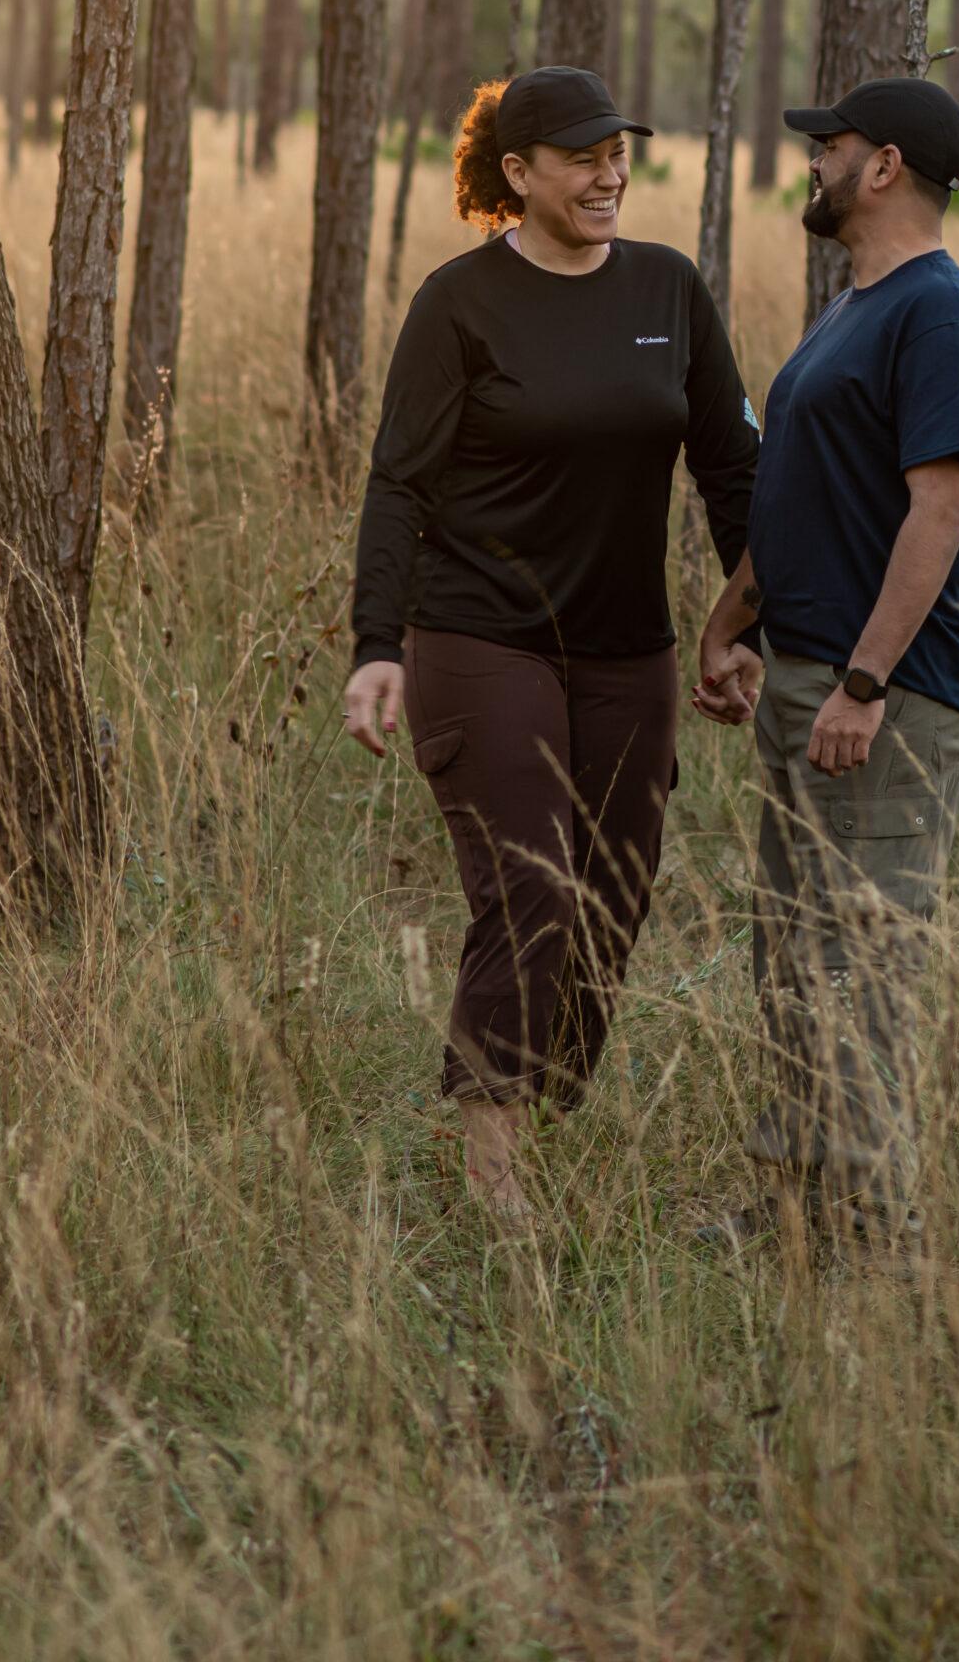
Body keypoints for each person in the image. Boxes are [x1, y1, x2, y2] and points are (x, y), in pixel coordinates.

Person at [344, 65, 761, 1223]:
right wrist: (378, 643)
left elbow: (730, 465)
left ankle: (533, 1092)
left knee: (612, 897)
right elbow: (399, 485)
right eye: (580, 156)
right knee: (529, 890)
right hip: (482, 634)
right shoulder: (460, 303)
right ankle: (495, 1178)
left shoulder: (670, 287)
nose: (609, 171)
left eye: (618, 150)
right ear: (517, 174)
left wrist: (747, 620)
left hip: (631, 646)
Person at [695, 76, 959, 1238]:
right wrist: (731, 621)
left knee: (862, 965)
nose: (813, 162)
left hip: (883, 697)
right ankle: (787, 1202)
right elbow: (805, 491)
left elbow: (938, 512)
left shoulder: (938, 313)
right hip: (803, 675)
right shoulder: (855, 304)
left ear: (883, 168)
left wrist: (867, 683)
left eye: (830, 146)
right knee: (792, 949)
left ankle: (870, 1232)